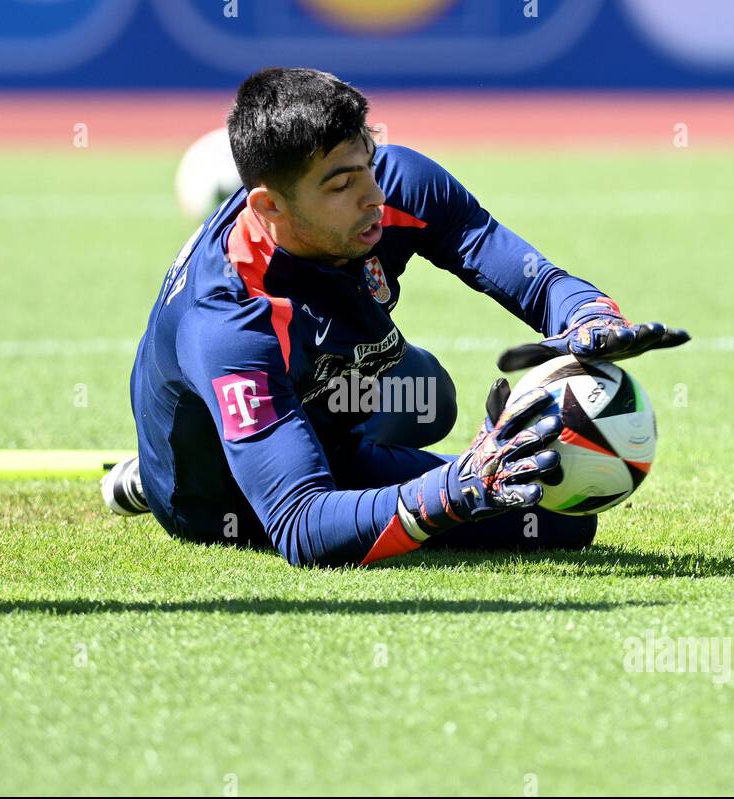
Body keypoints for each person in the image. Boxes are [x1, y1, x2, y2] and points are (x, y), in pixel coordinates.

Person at [103, 68, 689, 567]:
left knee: (437, 401)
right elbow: (302, 527)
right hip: (225, 500)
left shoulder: (395, 185)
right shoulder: (229, 321)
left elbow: (526, 274)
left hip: (323, 400)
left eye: (369, 165)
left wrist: (587, 313)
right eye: (341, 185)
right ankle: (152, 479)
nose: (372, 197)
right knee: (539, 518)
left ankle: (341, 449)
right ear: (269, 207)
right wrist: (457, 488)